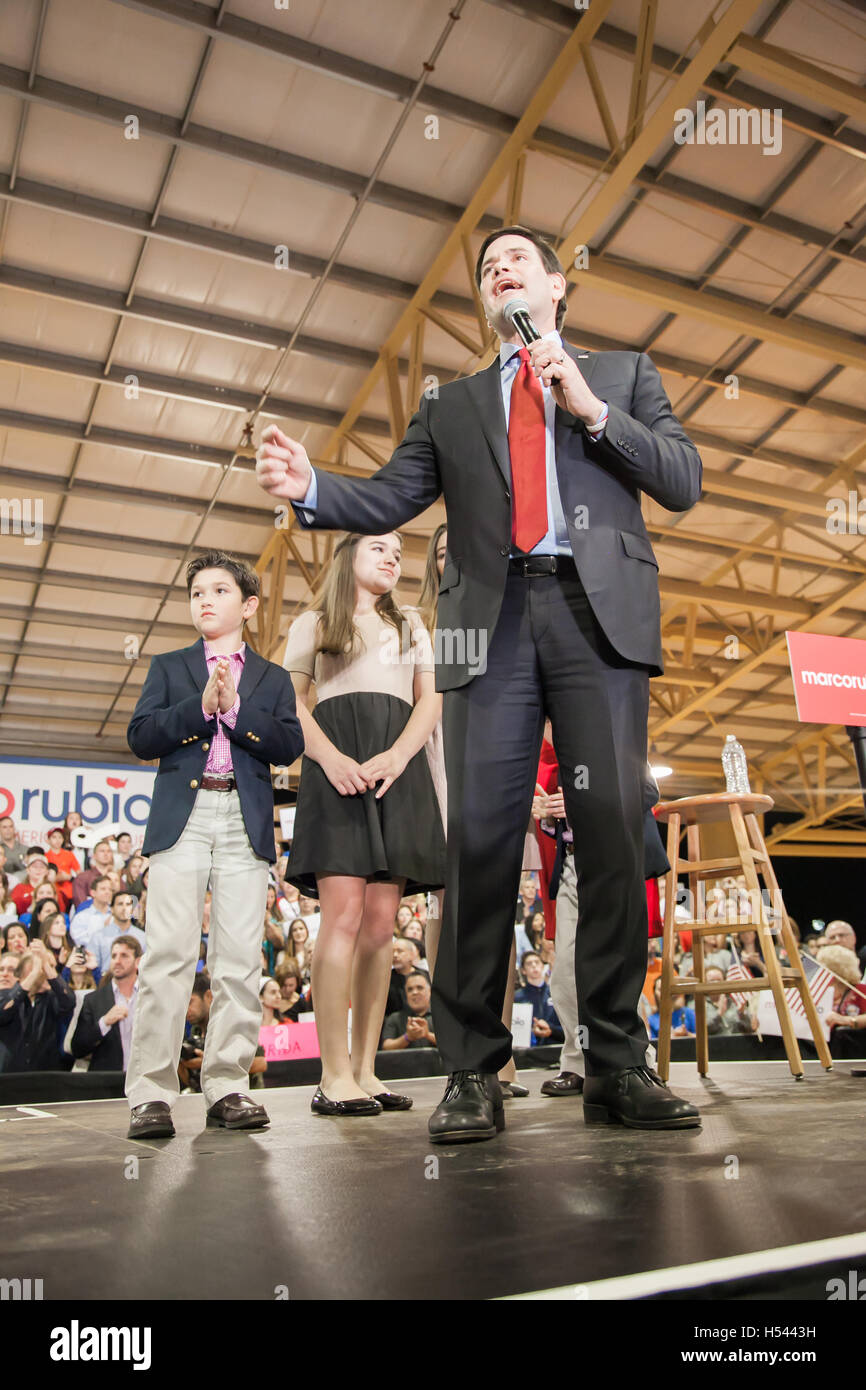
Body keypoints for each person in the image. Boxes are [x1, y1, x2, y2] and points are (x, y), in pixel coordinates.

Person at [257, 224, 703, 1141]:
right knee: (484, 843)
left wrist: (587, 406)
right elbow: (387, 497)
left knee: (614, 832)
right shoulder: (451, 403)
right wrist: (313, 487)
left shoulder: (621, 375)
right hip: (484, 628)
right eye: (486, 265)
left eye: (515, 259)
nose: (498, 268)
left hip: (598, 616)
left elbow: (682, 479)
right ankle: (472, 1069)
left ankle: (616, 1062)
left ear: (555, 287)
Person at [122, 549, 303, 1139]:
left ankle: (228, 1084)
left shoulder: (272, 678)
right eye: (197, 591)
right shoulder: (169, 665)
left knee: (237, 962)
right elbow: (142, 734)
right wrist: (201, 710)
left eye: (219, 591)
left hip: (244, 819)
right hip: (185, 814)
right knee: (169, 954)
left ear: (248, 606)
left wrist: (238, 709)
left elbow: (286, 746)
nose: (205, 599)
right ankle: (151, 1091)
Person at [282, 531, 445, 1116]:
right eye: (379, 547)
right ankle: (332, 1075)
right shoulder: (311, 625)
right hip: (337, 771)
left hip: (395, 771)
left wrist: (398, 756)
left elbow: (430, 701)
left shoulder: (410, 625)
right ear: (348, 556)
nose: (393, 556)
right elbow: (292, 703)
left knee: (381, 926)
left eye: (399, 551)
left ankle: (367, 1069)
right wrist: (328, 758)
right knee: (343, 917)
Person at [69, 936, 142, 1072]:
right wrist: (104, 1023)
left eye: (124, 956)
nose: (117, 961)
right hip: (107, 1083)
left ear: (138, 962)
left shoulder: (150, 996)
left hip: (144, 1081)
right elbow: (77, 1049)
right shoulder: (93, 1000)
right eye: (114, 956)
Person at [0, 940, 75, 1069]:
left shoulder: (53, 998)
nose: (49, 974)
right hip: (10, 1076)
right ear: (24, 972)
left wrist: (45, 964)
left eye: (51, 967)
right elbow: (3, 1012)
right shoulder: (6, 995)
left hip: (45, 1076)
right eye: (44, 967)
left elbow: (69, 1002)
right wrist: (34, 973)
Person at [89, 891, 146, 975]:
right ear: (112, 909)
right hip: (105, 982)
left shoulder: (142, 937)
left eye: (128, 904)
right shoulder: (98, 937)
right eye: (120, 904)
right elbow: (92, 966)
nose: (124, 908)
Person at [514, 951, 564, 1046]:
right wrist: (532, 1030)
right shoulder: (517, 997)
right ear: (523, 970)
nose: (534, 965)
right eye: (529, 963)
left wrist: (551, 1029)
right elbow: (515, 1029)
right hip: (528, 1052)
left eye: (537, 962)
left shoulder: (556, 993)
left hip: (556, 1048)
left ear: (542, 966)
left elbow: (568, 1027)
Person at [381, 972, 438, 1049]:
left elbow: (452, 1045)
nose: (414, 992)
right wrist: (407, 1037)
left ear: (430, 991)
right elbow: (386, 1047)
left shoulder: (441, 1016)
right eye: (410, 989)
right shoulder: (395, 1018)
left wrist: (427, 1035)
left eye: (420, 988)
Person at [68, 875, 114, 949]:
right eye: (103, 889)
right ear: (93, 893)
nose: (107, 892)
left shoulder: (117, 916)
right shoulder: (81, 917)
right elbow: (80, 942)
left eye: (110, 889)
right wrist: (103, 930)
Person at [44, 826, 81, 912]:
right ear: (48, 840)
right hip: (52, 891)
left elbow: (79, 873)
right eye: (54, 837)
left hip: (69, 893)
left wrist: (69, 877)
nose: (57, 840)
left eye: (60, 837)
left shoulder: (69, 855)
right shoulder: (45, 857)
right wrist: (58, 878)